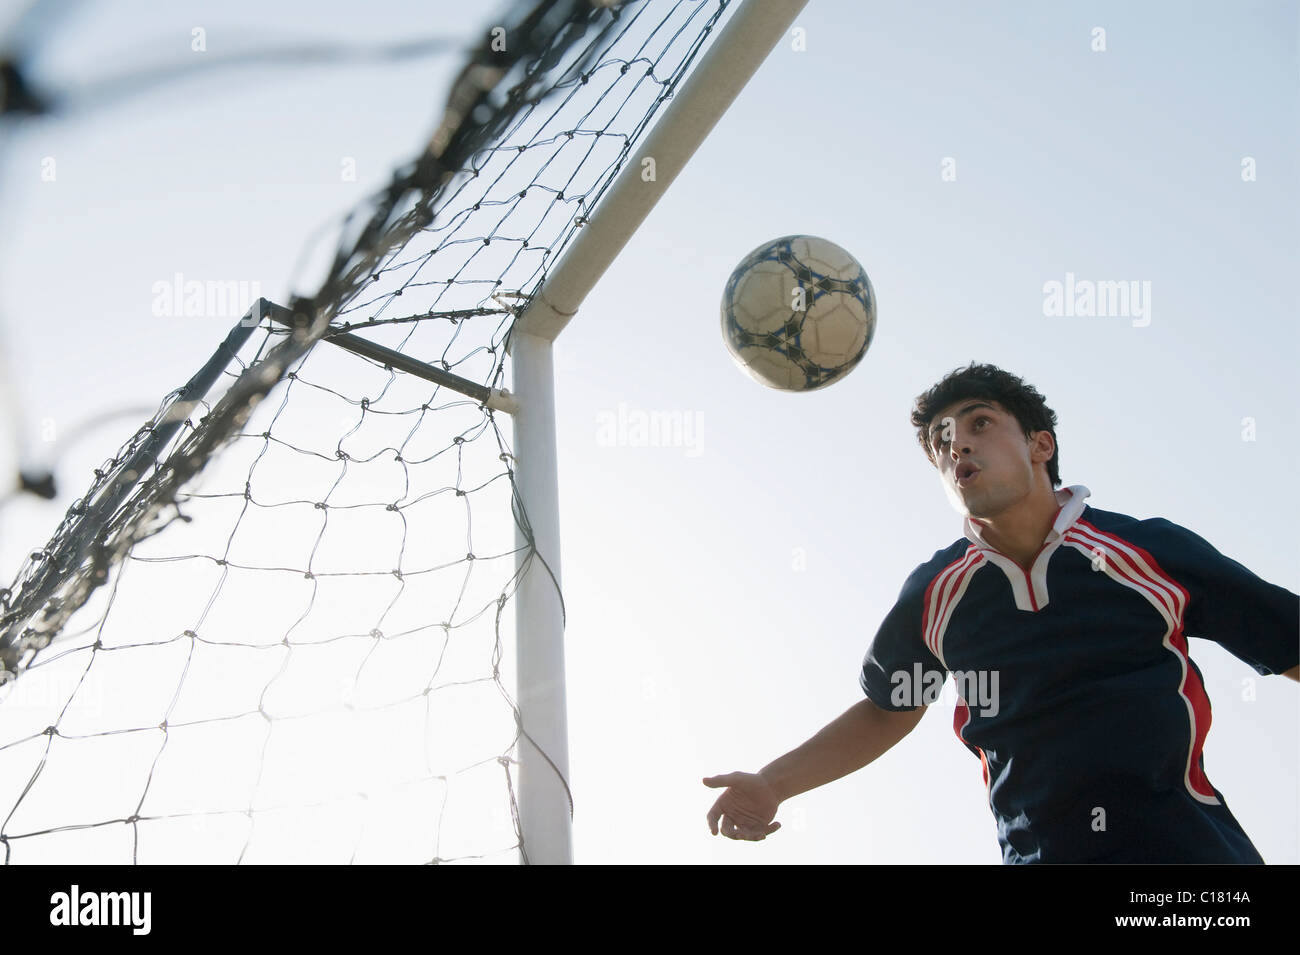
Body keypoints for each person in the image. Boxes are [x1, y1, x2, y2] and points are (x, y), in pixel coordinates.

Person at [704, 362, 1299, 863]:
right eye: (940, 441)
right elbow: (888, 711)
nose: (956, 443)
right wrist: (774, 783)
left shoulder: (1148, 551)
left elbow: (1287, 638)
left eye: (979, 423)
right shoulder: (937, 593)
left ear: (1041, 445)